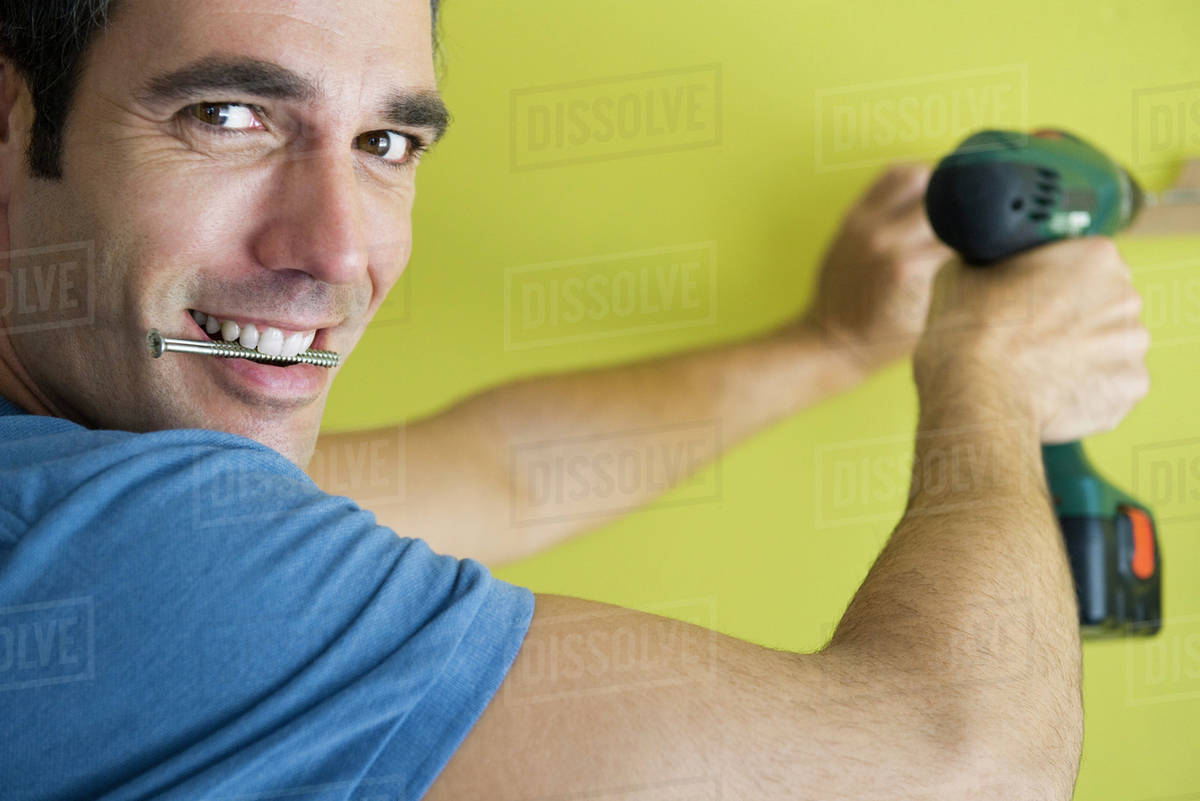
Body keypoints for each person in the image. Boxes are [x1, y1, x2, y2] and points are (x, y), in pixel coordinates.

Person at [0, 0, 1149, 799]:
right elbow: (960, 773)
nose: (336, 249)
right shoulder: (115, 558)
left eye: (387, 140)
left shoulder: (68, 490)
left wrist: (831, 343)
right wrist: (994, 381)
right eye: (229, 117)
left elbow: (500, 473)